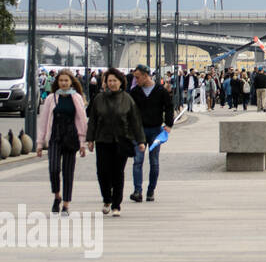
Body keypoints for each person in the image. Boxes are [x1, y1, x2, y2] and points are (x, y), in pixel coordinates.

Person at [86, 68, 146, 217]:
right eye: (109, 81)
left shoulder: (127, 99)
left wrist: (140, 140)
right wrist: (90, 139)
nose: (112, 83)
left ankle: (116, 204)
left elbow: (135, 121)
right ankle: (107, 198)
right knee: (102, 171)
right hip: (102, 139)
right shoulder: (99, 99)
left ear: (121, 82)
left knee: (118, 173)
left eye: (115, 81)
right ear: (105, 83)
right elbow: (92, 120)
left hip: (121, 140)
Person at [36, 69, 89, 215]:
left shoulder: (76, 98)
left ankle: (66, 204)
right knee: (53, 168)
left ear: (71, 82)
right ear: (57, 82)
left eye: (66, 80)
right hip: (55, 136)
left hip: (71, 137)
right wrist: (40, 143)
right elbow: (43, 121)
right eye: (61, 81)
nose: (64, 83)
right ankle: (57, 195)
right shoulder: (51, 98)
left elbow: (82, 120)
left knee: (68, 172)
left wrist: (82, 142)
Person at [128, 64, 174, 203]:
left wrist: (168, 125)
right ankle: (137, 191)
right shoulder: (135, 92)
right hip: (139, 130)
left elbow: (169, 107)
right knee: (137, 161)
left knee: (154, 162)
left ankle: (150, 190)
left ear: (145, 75)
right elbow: (130, 110)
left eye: (137, 77)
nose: (135, 80)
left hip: (155, 130)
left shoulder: (160, 91)